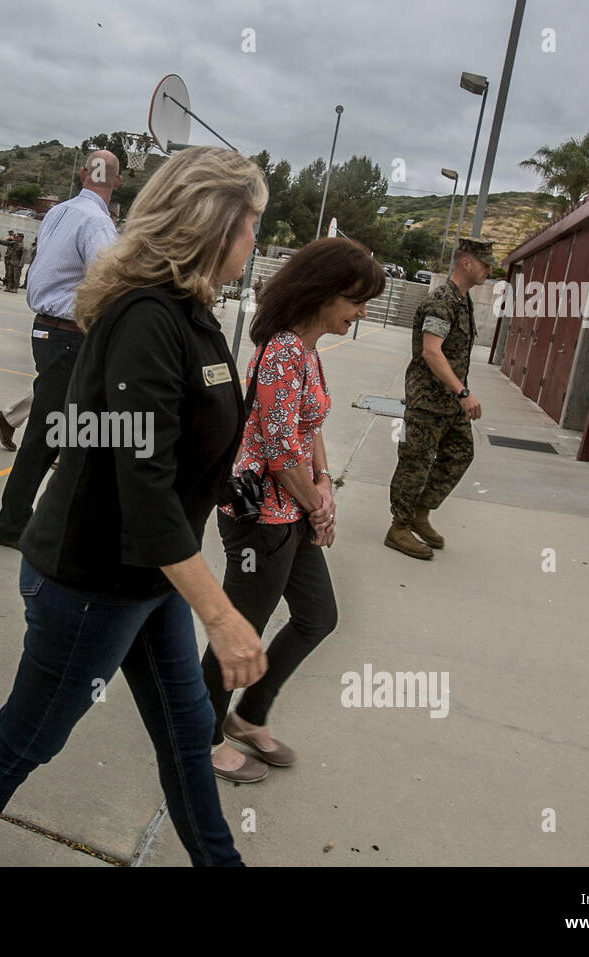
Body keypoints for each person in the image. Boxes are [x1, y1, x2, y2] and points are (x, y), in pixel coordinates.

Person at [0, 146, 269, 867]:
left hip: (151, 580)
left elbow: (184, 439)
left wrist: (223, 479)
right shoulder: (148, 315)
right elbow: (141, 484)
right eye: (252, 227)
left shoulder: (191, 312)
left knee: (188, 734)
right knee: (26, 740)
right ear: (215, 224)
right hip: (91, 584)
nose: (256, 244)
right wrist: (223, 614)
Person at [205, 238, 384, 783]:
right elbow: (282, 454)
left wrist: (324, 482)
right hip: (262, 519)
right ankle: (202, 735)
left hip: (293, 514)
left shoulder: (306, 351)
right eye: (356, 301)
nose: (360, 314)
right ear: (326, 294)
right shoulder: (282, 351)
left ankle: (249, 715)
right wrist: (319, 509)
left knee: (317, 616)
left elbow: (310, 430)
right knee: (239, 631)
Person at [0, 149, 120, 548]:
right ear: (115, 182)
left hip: (47, 330)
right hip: (71, 335)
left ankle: (47, 520)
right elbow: (107, 282)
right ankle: (13, 525)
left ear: (82, 173)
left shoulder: (59, 212)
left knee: (68, 434)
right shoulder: (98, 222)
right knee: (51, 436)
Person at [385, 236, 492, 559]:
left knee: (460, 454)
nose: (489, 269)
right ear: (466, 262)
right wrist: (463, 392)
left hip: (450, 403)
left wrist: (459, 394)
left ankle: (420, 511)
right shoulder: (441, 302)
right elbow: (432, 353)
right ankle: (399, 526)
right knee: (415, 461)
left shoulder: (463, 301)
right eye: (485, 264)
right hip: (428, 401)